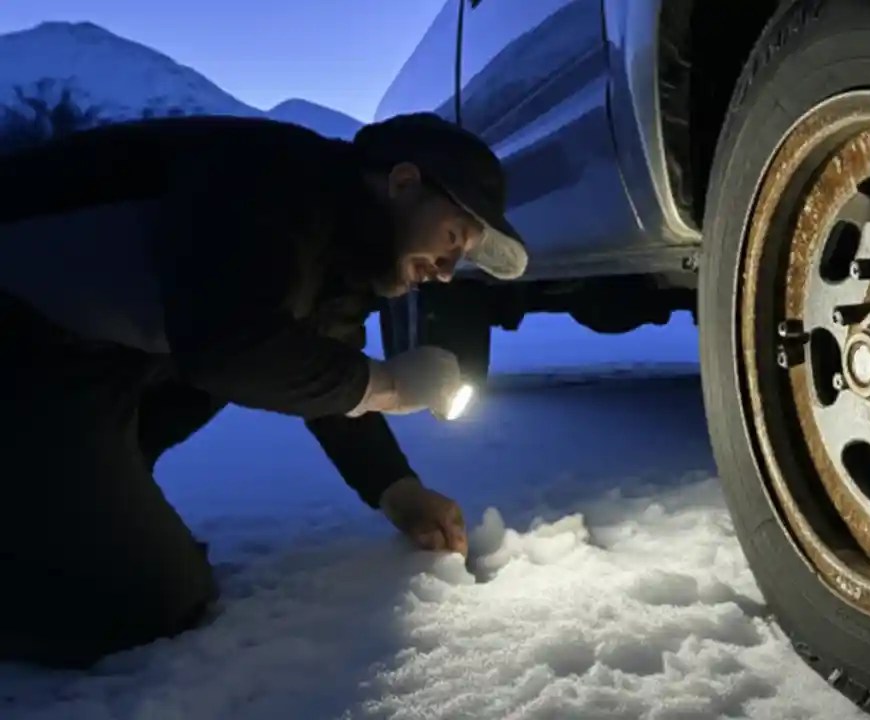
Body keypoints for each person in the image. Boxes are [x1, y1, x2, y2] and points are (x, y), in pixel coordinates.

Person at [0, 112, 527, 668]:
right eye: (452, 238)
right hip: (25, 342)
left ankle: (68, 500)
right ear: (403, 184)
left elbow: (325, 366)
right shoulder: (276, 182)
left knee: (269, 363)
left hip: (82, 356)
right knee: (147, 601)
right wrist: (391, 387)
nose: (446, 271)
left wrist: (396, 490)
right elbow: (228, 345)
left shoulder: (340, 256)